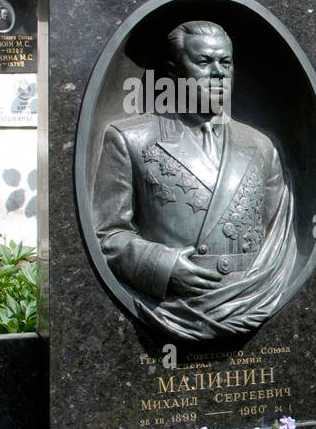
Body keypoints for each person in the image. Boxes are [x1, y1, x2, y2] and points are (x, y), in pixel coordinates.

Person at [91, 20, 298, 340]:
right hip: (177, 308)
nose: (218, 73)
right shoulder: (131, 139)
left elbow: (277, 239)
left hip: (250, 300)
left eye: (225, 62)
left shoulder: (260, 146)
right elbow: (105, 235)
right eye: (204, 62)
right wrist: (164, 266)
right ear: (173, 71)